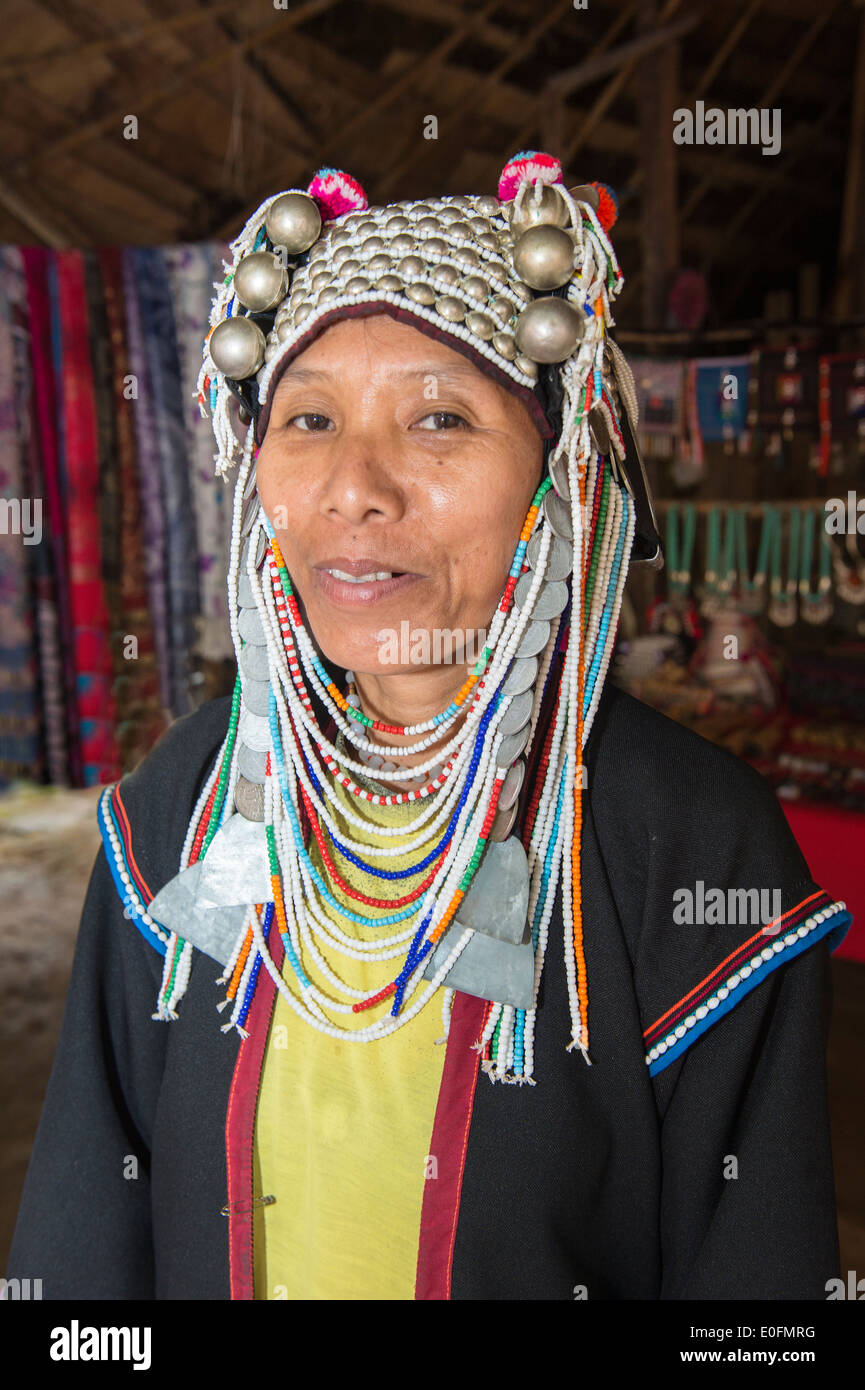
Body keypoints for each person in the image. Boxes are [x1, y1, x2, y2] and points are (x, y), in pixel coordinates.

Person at [7, 153, 850, 1300]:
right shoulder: (179, 811)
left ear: (556, 475)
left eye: (438, 417)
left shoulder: (691, 845)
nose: (356, 486)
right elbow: (84, 1239)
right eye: (307, 418)